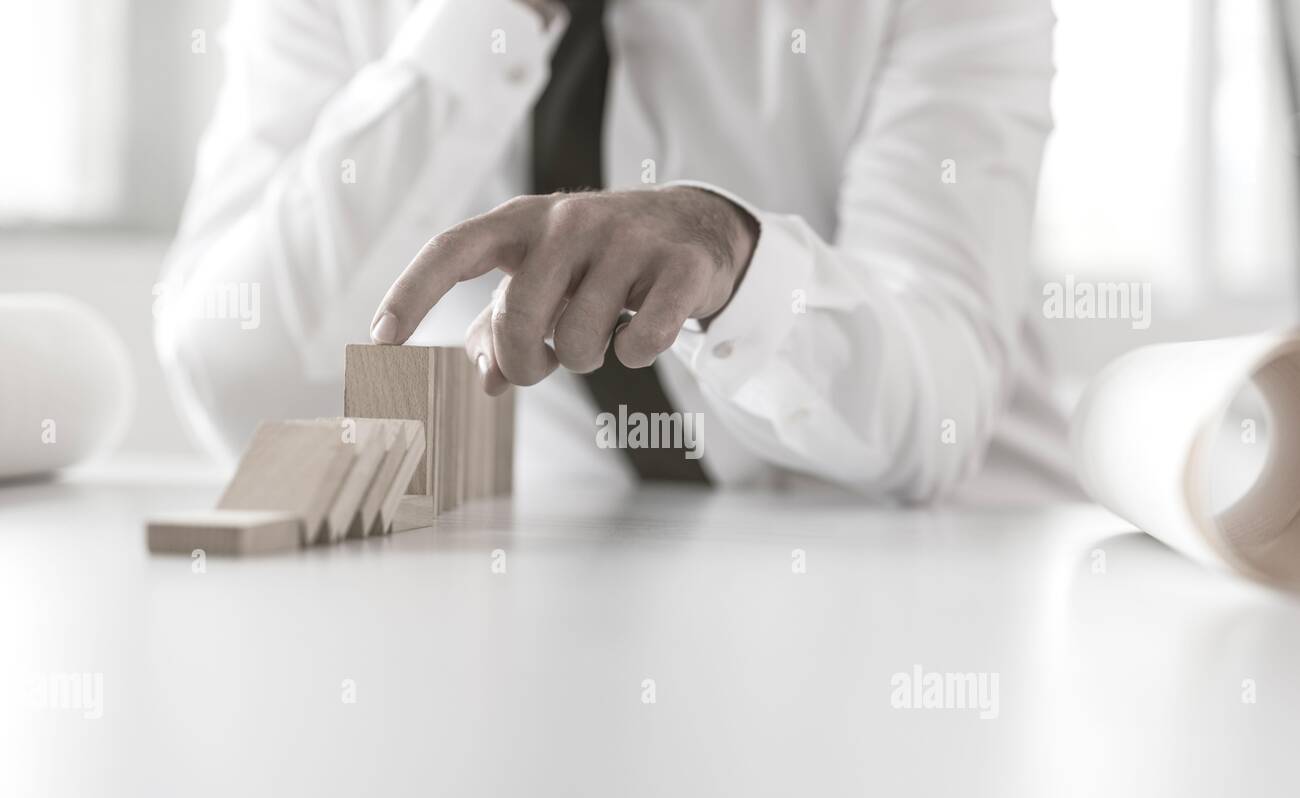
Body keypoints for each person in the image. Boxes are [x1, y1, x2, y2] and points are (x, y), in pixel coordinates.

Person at [157, 0, 1076, 504]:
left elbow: (936, 406)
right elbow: (237, 381)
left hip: (955, 576)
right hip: (564, 582)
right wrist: (481, 27)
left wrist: (732, 258)